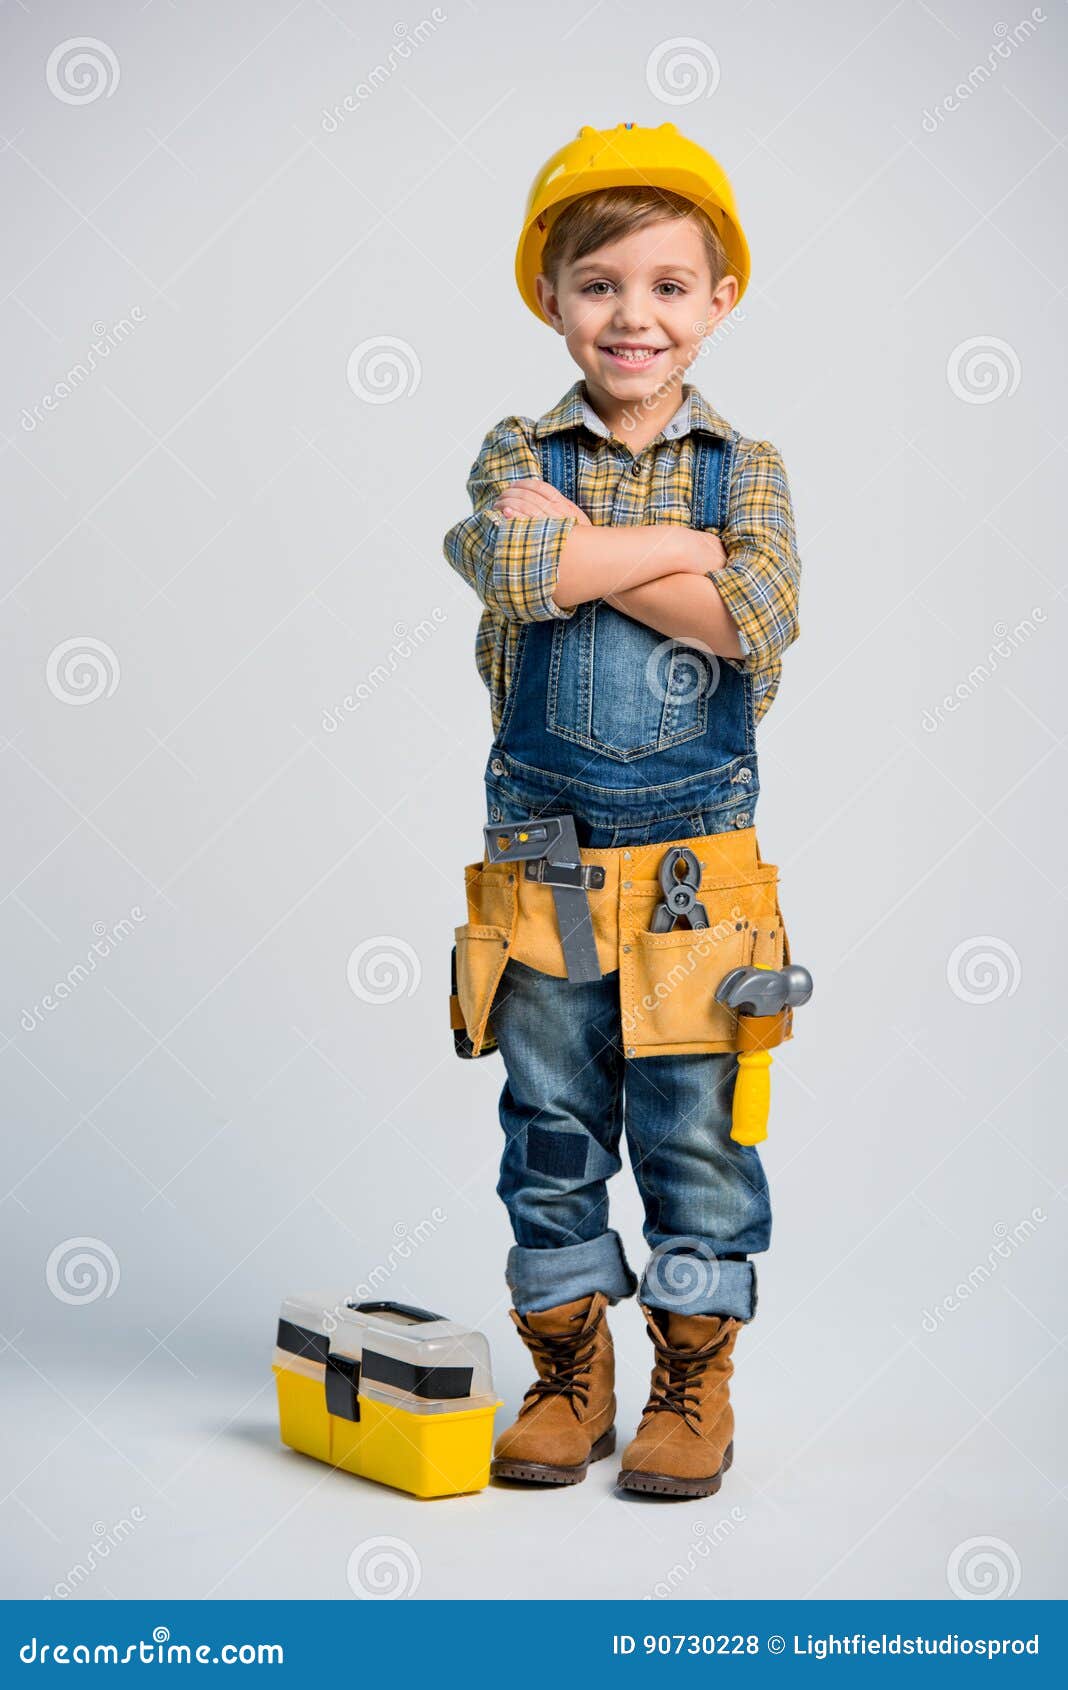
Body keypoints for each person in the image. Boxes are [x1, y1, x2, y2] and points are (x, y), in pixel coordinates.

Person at [443, 122, 801, 1499]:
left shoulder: (748, 466)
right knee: (547, 1123)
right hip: (541, 862)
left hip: (698, 879)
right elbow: (513, 569)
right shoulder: (510, 447)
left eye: (666, 285)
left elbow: (753, 620)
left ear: (719, 303)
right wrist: (677, 554)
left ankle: (691, 1381)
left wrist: (593, 552)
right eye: (598, 283)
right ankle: (565, 1373)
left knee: (695, 1129)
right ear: (550, 296)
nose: (631, 315)